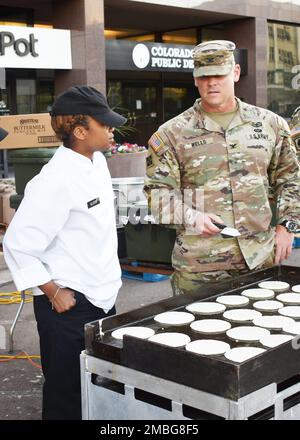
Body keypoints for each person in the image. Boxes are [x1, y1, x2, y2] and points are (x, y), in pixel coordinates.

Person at [3, 85, 127, 420]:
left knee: (100, 385)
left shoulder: (97, 161)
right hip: (69, 306)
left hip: (102, 298)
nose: (112, 129)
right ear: (80, 131)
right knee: (66, 394)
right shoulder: (54, 180)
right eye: (105, 123)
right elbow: (17, 244)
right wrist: (52, 291)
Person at [144, 40, 300, 296]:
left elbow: (291, 179)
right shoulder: (171, 134)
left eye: (219, 74)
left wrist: (288, 226)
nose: (211, 82)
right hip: (200, 266)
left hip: (259, 258)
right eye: (204, 76)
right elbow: (158, 195)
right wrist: (191, 216)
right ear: (195, 79)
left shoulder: (270, 124)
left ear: (236, 73)